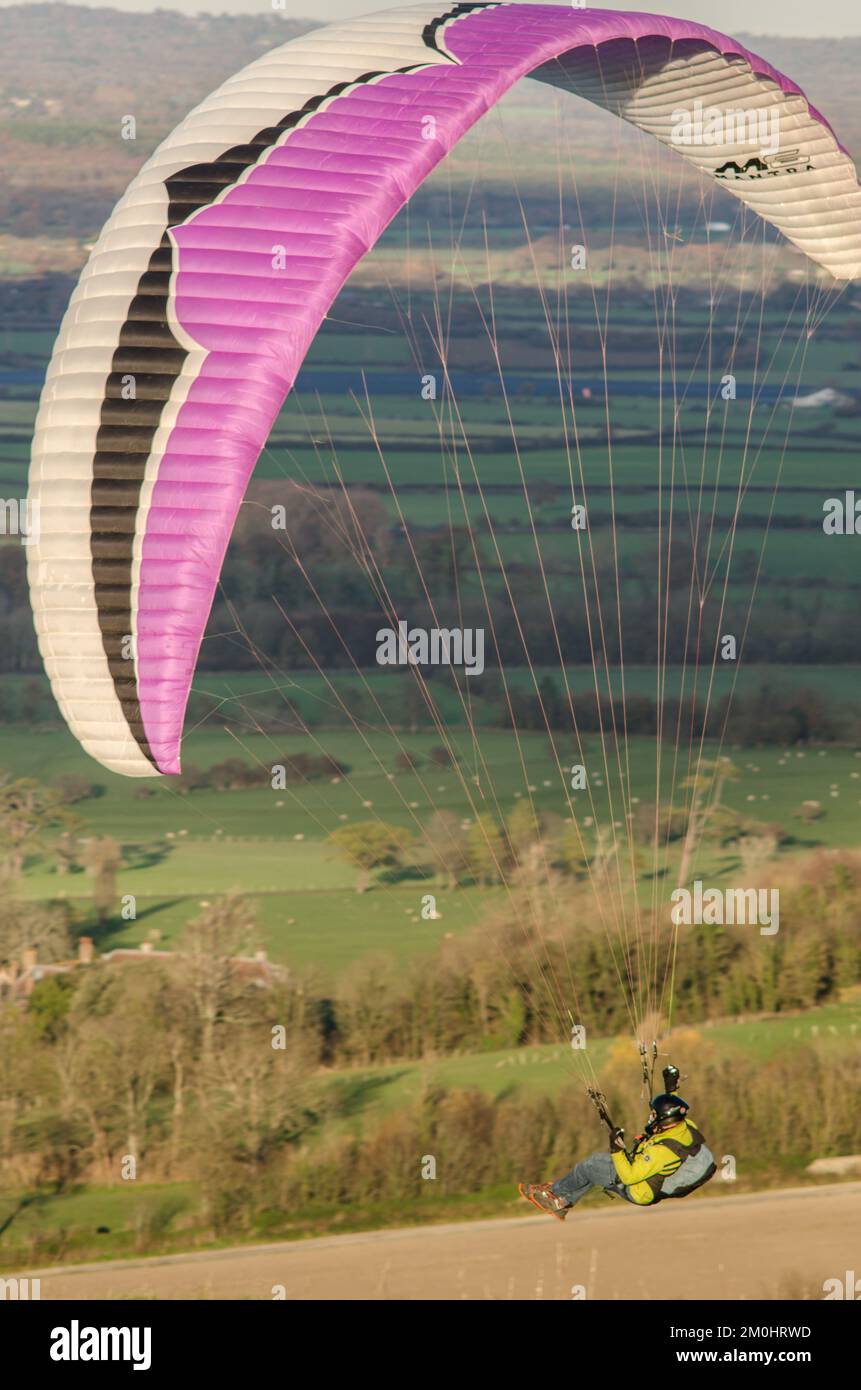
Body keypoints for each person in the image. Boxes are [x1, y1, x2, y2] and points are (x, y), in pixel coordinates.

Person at [519, 1083, 716, 1220]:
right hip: (645, 1177)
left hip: (638, 1190)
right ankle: (563, 1201)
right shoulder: (685, 1125)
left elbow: (629, 1177)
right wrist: (671, 1091)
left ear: (664, 1119)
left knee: (590, 1166)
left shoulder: (662, 1152)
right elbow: (673, 1111)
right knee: (597, 1169)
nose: (651, 1116)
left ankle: (553, 1198)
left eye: (655, 1114)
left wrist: (616, 1151)